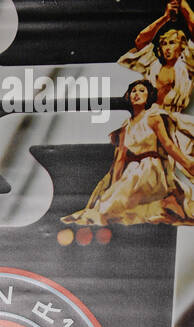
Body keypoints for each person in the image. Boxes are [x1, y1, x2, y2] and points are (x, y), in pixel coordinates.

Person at [63, 78, 194, 226]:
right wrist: (112, 186)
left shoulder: (153, 118)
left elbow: (168, 145)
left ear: (148, 96)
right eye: (133, 91)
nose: (136, 94)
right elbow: (120, 158)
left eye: (141, 91)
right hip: (132, 171)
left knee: (117, 204)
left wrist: (187, 163)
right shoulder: (126, 126)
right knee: (108, 202)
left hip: (151, 170)